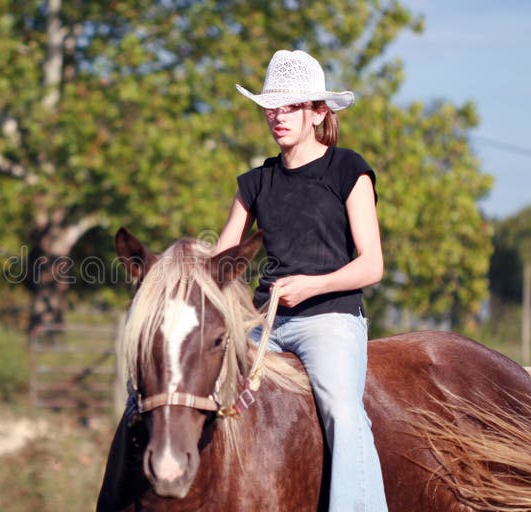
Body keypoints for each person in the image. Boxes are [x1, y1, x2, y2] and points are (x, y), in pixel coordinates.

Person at [215, 49, 388, 511]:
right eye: (272, 105)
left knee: (343, 413)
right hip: (263, 325)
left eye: (290, 105)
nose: (277, 114)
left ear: (317, 113)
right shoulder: (255, 183)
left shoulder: (348, 170)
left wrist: (310, 285)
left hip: (328, 318)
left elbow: (372, 265)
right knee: (209, 394)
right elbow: (219, 261)